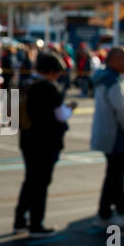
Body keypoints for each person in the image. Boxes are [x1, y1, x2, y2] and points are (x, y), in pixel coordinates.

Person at [14, 53, 72, 235]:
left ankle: (20, 219)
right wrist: (71, 108)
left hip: (26, 139)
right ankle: (36, 223)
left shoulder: (24, 84)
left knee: (29, 180)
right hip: (46, 142)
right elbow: (61, 115)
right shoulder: (49, 88)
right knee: (41, 183)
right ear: (52, 71)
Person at [89, 46, 124, 227]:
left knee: (115, 174)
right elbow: (122, 112)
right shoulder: (113, 82)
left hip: (108, 133)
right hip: (115, 135)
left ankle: (120, 210)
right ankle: (105, 214)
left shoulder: (104, 79)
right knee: (115, 176)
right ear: (115, 60)